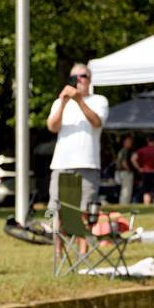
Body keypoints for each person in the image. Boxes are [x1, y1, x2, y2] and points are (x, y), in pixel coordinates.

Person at [46, 63, 108, 214]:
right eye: (75, 77)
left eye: (83, 76)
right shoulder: (59, 102)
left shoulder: (99, 100)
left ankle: (82, 238)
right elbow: (52, 127)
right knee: (56, 211)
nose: (79, 80)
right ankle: (56, 238)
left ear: (90, 80)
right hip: (61, 164)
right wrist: (63, 103)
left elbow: (97, 122)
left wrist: (79, 100)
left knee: (84, 212)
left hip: (87, 164)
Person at [115, 133, 135, 204]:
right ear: (125, 143)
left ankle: (123, 202)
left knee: (124, 189)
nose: (130, 144)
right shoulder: (125, 151)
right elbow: (124, 162)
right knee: (126, 189)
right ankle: (125, 203)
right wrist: (129, 170)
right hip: (125, 172)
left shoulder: (122, 150)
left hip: (121, 172)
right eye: (129, 142)